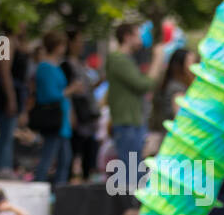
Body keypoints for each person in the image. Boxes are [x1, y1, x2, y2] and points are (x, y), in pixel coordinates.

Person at [105, 22, 166, 193]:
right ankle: (130, 213)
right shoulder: (117, 59)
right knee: (131, 176)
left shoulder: (126, 60)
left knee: (137, 173)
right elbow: (143, 85)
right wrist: (157, 59)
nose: (141, 40)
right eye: (137, 35)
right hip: (127, 124)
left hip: (134, 123)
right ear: (127, 36)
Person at [32, 31, 82, 186]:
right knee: (49, 156)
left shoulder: (54, 66)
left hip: (62, 119)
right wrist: (71, 90)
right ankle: (40, 186)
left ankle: (60, 190)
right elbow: (49, 94)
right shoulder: (45, 67)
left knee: (64, 159)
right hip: (53, 118)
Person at [0, 20, 28, 179]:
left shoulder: (18, 43)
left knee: (8, 133)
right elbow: (4, 71)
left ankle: (4, 165)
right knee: (5, 133)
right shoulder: (4, 41)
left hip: (14, 92)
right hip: (5, 94)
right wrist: (11, 98)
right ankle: (2, 167)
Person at [63, 31, 101, 181]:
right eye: (78, 41)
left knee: (88, 151)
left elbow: (86, 89)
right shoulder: (66, 65)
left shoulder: (81, 64)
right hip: (76, 114)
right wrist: (71, 113)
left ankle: (85, 180)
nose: (82, 45)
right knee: (73, 151)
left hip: (87, 115)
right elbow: (71, 91)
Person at [147, 47, 194, 156]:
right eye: (191, 62)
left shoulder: (168, 85)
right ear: (180, 66)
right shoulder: (177, 89)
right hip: (173, 146)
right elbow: (181, 118)